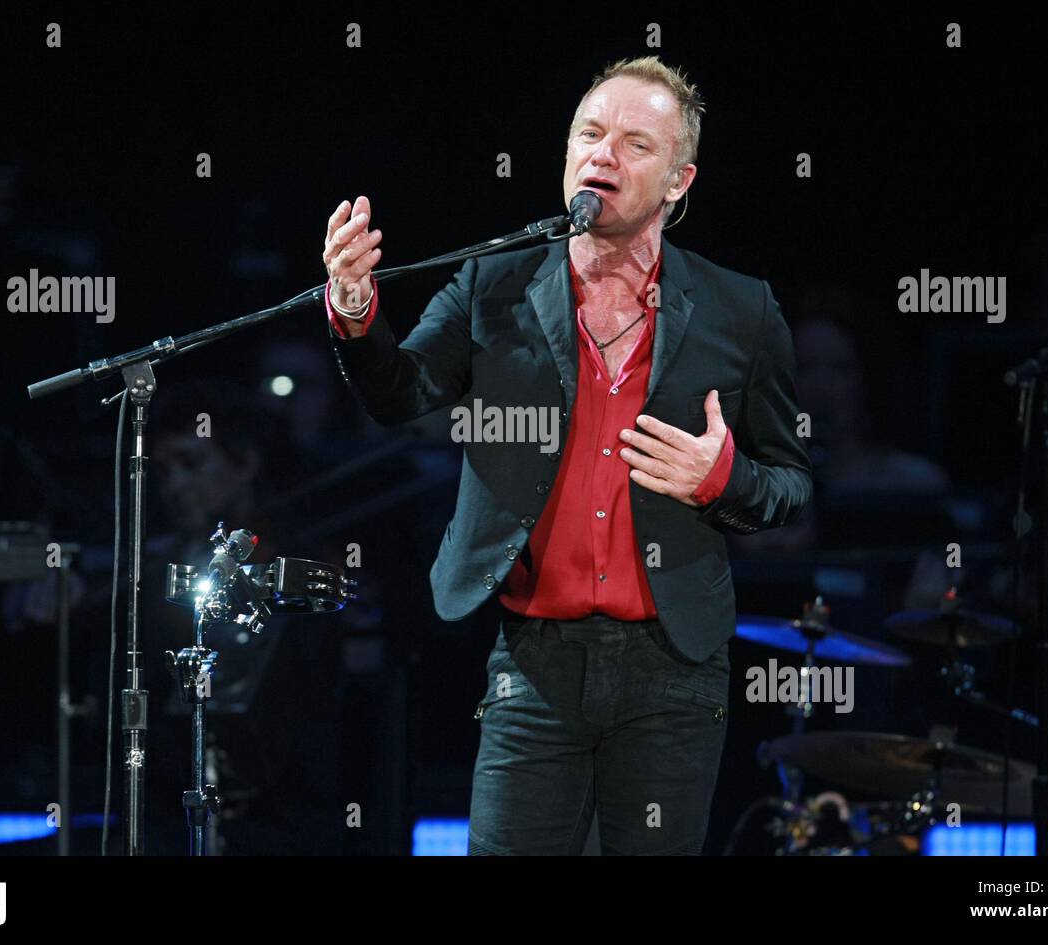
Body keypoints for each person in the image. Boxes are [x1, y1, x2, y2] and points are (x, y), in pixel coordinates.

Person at [320, 56, 811, 854]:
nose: (603, 155)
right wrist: (352, 304)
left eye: (634, 143)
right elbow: (398, 395)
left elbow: (789, 482)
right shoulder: (495, 284)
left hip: (674, 664)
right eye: (589, 133)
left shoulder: (740, 309)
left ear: (680, 180)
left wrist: (720, 478)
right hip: (534, 660)